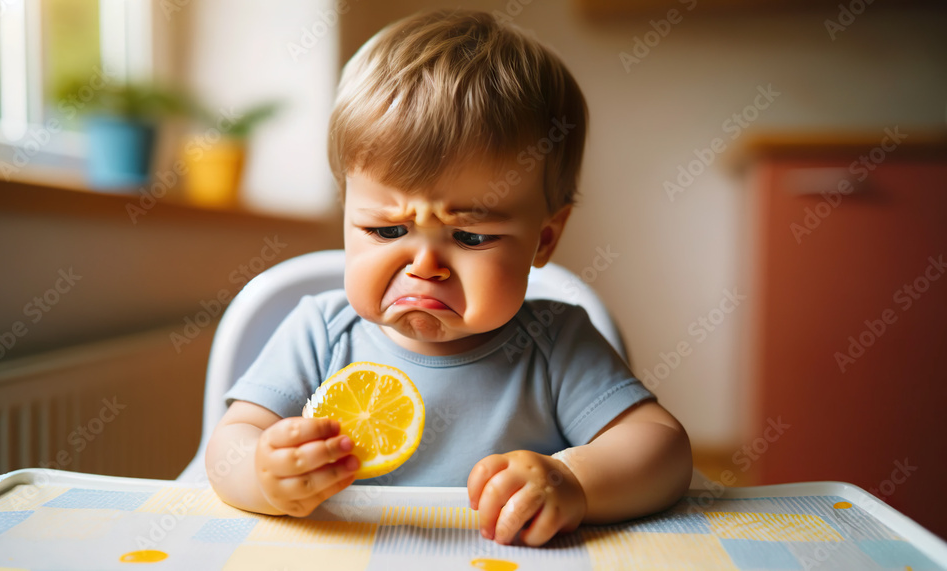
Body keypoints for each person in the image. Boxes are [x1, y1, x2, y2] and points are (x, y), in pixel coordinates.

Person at [206, 9, 692, 546]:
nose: (424, 265)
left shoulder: (555, 344)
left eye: (471, 237)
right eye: (386, 230)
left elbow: (662, 447)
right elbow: (228, 444)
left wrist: (574, 480)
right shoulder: (319, 333)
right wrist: (263, 474)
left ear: (544, 239)